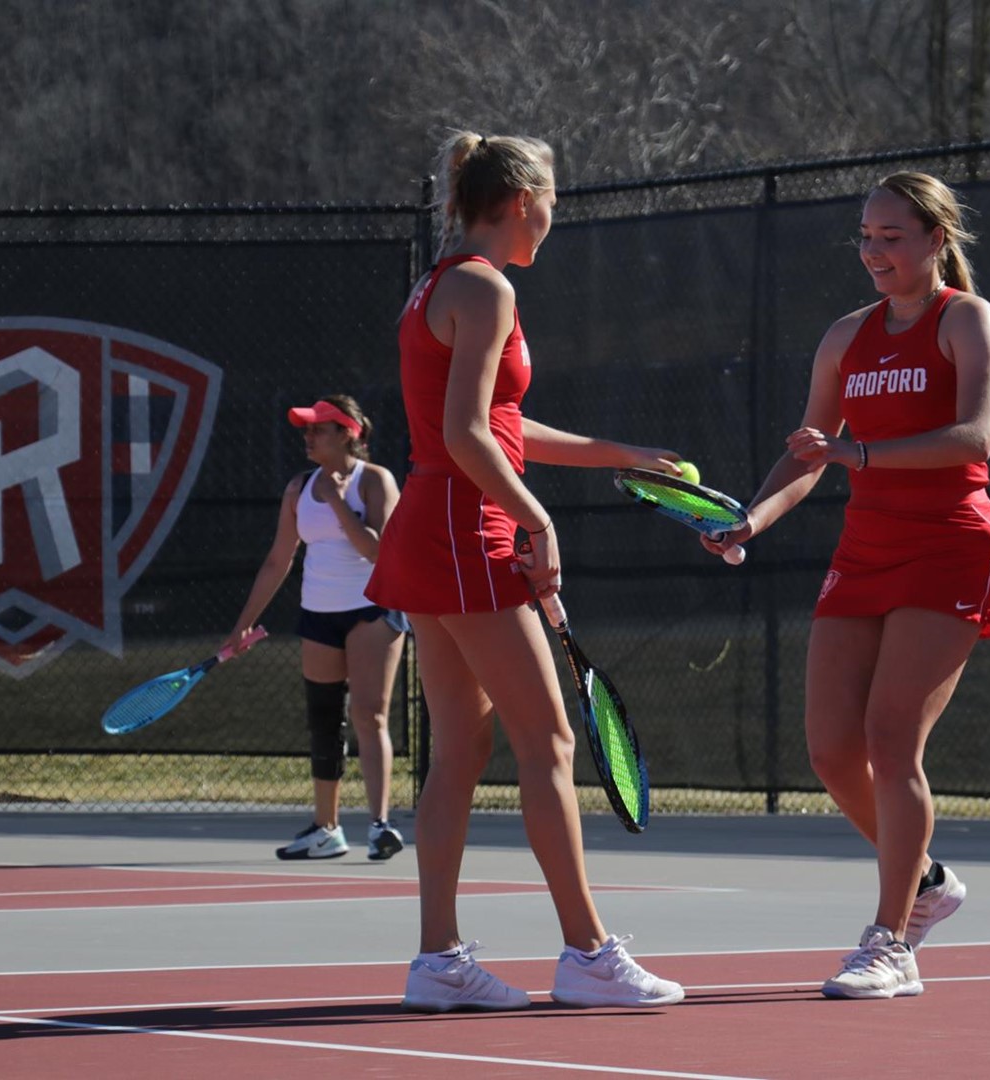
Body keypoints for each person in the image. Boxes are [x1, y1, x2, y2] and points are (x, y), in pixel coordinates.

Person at [364, 130, 687, 1013]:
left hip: (441, 524)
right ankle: (587, 953)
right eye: (551, 200)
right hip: (467, 529)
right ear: (518, 200)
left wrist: (623, 454)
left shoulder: (443, 285)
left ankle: (439, 959)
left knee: (462, 751)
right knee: (546, 741)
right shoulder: (484, 286)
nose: (554, 217)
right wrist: (535, 516)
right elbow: (470, 436)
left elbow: (498, 424)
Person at [702, 172, 990, 1000]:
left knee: (889, 738)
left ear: (936, 239)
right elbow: (808, 454)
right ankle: (931, 883)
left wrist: (859, 455)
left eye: (892, 237)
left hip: (949, 543)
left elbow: (974, 436)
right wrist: (751, 520)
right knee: (832, 750)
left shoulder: (967, 321)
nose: (874, 251)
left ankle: (890, 939)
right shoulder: (846, 336)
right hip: (866, 549)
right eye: (866, 237)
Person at [222, 394, 410, 863]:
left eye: (318, 429)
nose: (307, 437)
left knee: (370, 715)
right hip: (319, 613)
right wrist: (241, 627)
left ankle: (380, 826)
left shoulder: (376, 481)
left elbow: (379, 552)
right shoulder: (297, 488)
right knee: (324, 719)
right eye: (305, 429)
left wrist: (338, 502)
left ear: (348, 433)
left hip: (373, 611)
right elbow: (277, 560)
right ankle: (326, 830)